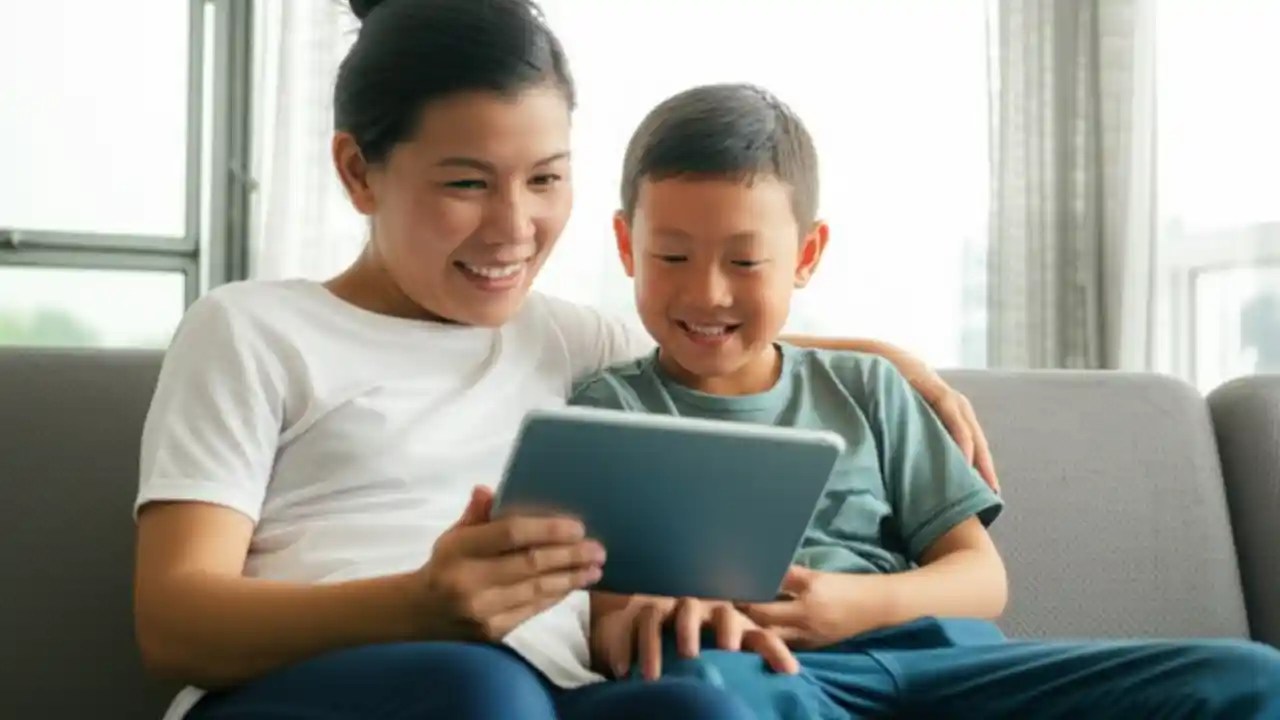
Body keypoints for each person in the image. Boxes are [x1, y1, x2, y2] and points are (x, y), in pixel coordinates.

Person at [130, 2, 996, 719]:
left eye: (544, 180)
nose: (514, 229)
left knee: (704, 708)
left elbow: (715, 327)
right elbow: (173, 620)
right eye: (467, 183)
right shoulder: (251, 329)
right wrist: (417, 605)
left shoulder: (569, 340)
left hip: (551, 695)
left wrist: (888, 360)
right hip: (331, 687)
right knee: (478, 690)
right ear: (360, 173)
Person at [569, 82, 1280, 719]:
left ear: (807, 256)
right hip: (764, 674)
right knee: (706, 697)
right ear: (627, 247)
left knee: (1247, 677)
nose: (708, 293)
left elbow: (981, 577)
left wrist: (850, 606)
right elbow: (606, 621)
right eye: (672, 257)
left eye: (746, 261)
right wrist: (648, 620)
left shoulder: (869, 387)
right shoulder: (610, 409)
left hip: (945, 664)